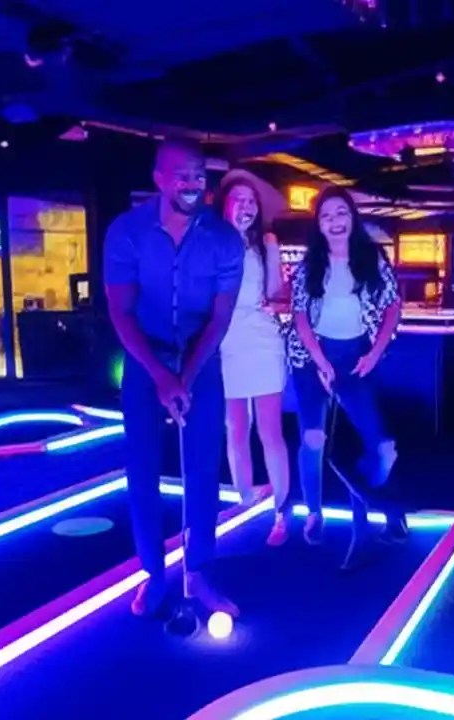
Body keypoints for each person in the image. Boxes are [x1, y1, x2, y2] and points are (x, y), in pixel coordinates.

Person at [103, 137, 244, 619]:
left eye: (199, 173)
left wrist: (185, 375)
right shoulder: (125, 233)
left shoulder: (225, 239)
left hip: (201, 363)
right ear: (159, 178)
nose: (191, 182)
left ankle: (199, 573)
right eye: (181, 174)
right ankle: (155, 575)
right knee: (142, 469)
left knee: (203, 468)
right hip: (144, 362)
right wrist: (162, 376)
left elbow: (220, 317)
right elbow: (121, 313)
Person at [287, 186, 408, 569]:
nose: (335, 222)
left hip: (356, 356)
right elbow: (301, 316)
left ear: (352, 217)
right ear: (318, 224)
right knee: (314, 436)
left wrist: (375, 352)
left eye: (341, 213)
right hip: (310, 356)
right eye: (326, 216)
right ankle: (313, 511)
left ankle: (383, 504)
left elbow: (392, 306)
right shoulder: (311, 265)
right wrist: (320, 361)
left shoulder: (371, 257)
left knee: (384, 448)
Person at [216, 170, 292, 545]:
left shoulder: (267, 243)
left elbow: (278, 293)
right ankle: (244, 497)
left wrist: (278, 300)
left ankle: (282, 511)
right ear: (225, 203)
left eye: (251, 202)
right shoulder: (211, 243)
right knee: (235, 428)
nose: (245, 207)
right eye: (239, 200)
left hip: (262, 339)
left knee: (269, 431)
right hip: (225, 342)